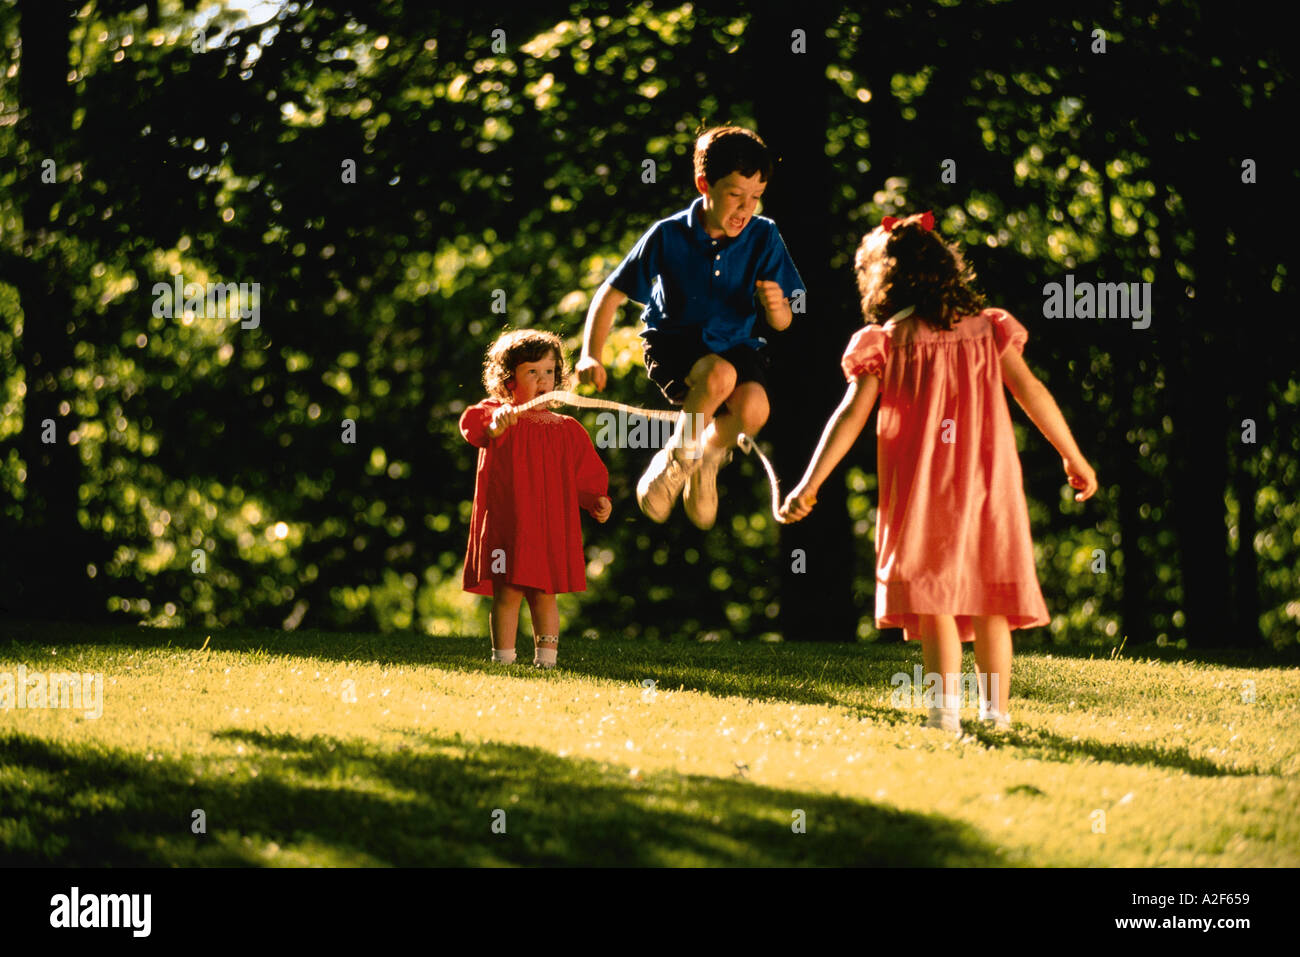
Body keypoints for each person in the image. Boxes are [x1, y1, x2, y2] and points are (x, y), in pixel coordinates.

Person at [780, 212, 1098, 733]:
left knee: (935, 601)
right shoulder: (989, 332)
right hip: (988, 485)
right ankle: (995, 715)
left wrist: (810, 483)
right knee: (992, 596)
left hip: (922, 491)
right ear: (948, 270)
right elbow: (1032, 394)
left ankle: (943, 715)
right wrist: (1073, 455)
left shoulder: (887, 341)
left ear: (882, 280)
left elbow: (849, 417)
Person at [577, 125, 804, 529]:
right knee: (718, 375)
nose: (745, 208)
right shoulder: (668, 236)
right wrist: (590, 353)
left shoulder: (765, 235)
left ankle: (707, 459)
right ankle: (674, 460)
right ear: (704, 184)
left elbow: (784, 321)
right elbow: (610, 295)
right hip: (674, 343)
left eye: (755, 198)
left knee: (755, 408)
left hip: (737, 343)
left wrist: (778, 308)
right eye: (735, 195)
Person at [460, 329, 612, 668]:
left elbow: (586, 474)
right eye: (532, 372)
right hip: (506, 529)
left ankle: (546, 662)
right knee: (507, 592)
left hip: (548, 529)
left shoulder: (567, 428)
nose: (543, 380)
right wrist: (496, 424)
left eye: (549, 372)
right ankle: (503, 659)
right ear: (508, 379)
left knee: (545, 594)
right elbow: (473, 425)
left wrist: (597, 500)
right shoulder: (499, 417)